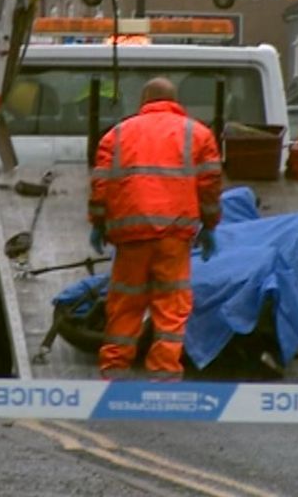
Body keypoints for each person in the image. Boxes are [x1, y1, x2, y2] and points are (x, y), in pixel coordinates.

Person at [88, 77, 222, 381]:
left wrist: (98, 223)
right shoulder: (198, 135)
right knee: (171, 306)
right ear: (175, 101)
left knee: (124, 303)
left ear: (144, 101)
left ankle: (115, 369)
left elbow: (101, 186)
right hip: (175, 235)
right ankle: (163, 372)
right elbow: (210, 185)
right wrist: (210, 224)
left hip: (130, 236)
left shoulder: (116, 135)